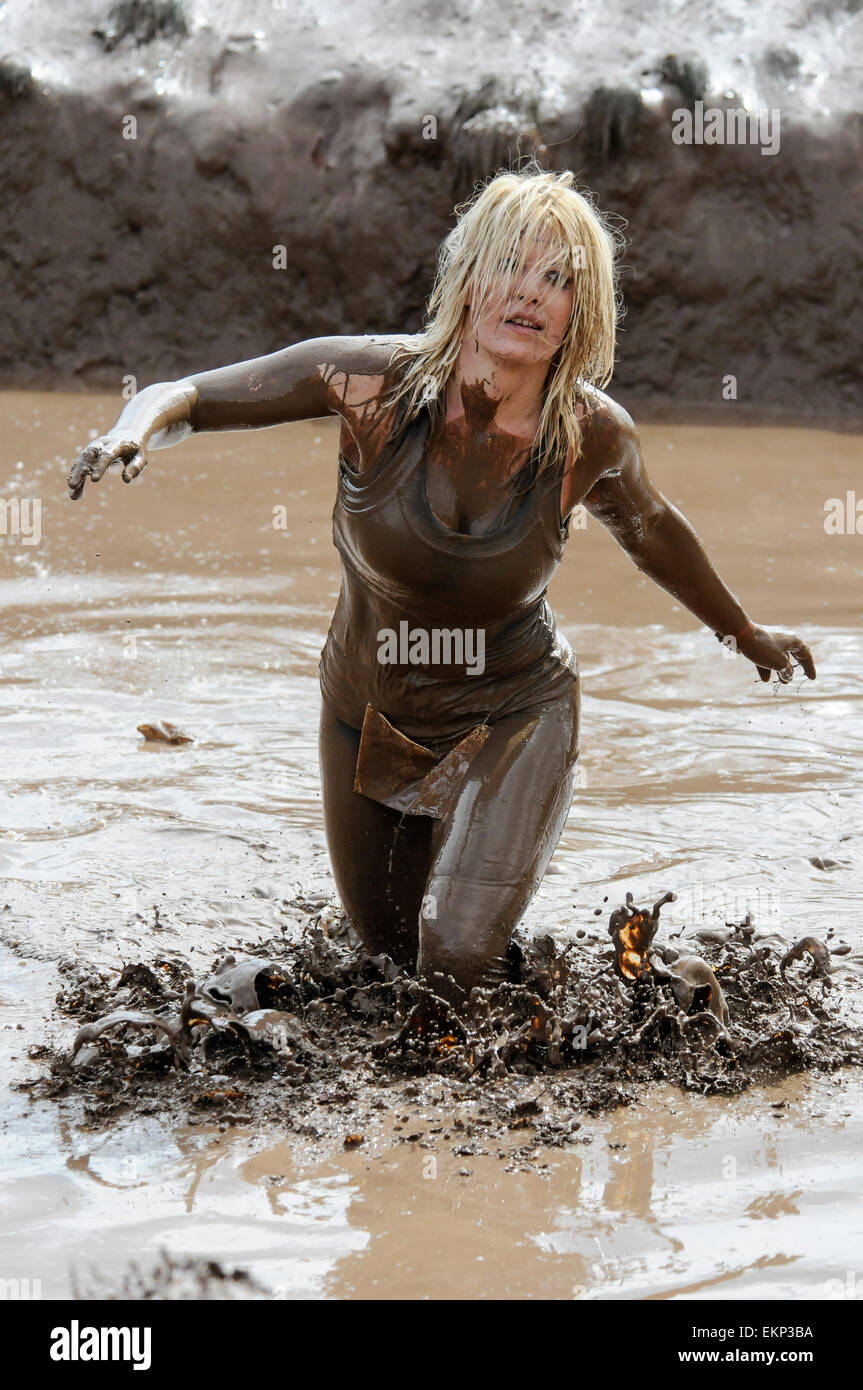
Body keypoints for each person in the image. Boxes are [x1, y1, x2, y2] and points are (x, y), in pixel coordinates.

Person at [67, 167, 816, 1007]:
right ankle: (555, 1011)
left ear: (583, 310)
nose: (530, 294)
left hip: (513, 708)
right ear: (466, 281)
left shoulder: (590, 436)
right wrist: (130, 431)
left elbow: (654, 531)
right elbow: (194, 396)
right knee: (388, 969)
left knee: (453, 958)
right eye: (511, 267)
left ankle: (606, 1010)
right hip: (366, 706)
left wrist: (743, 633)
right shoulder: (366, 386)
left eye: (558, 279)